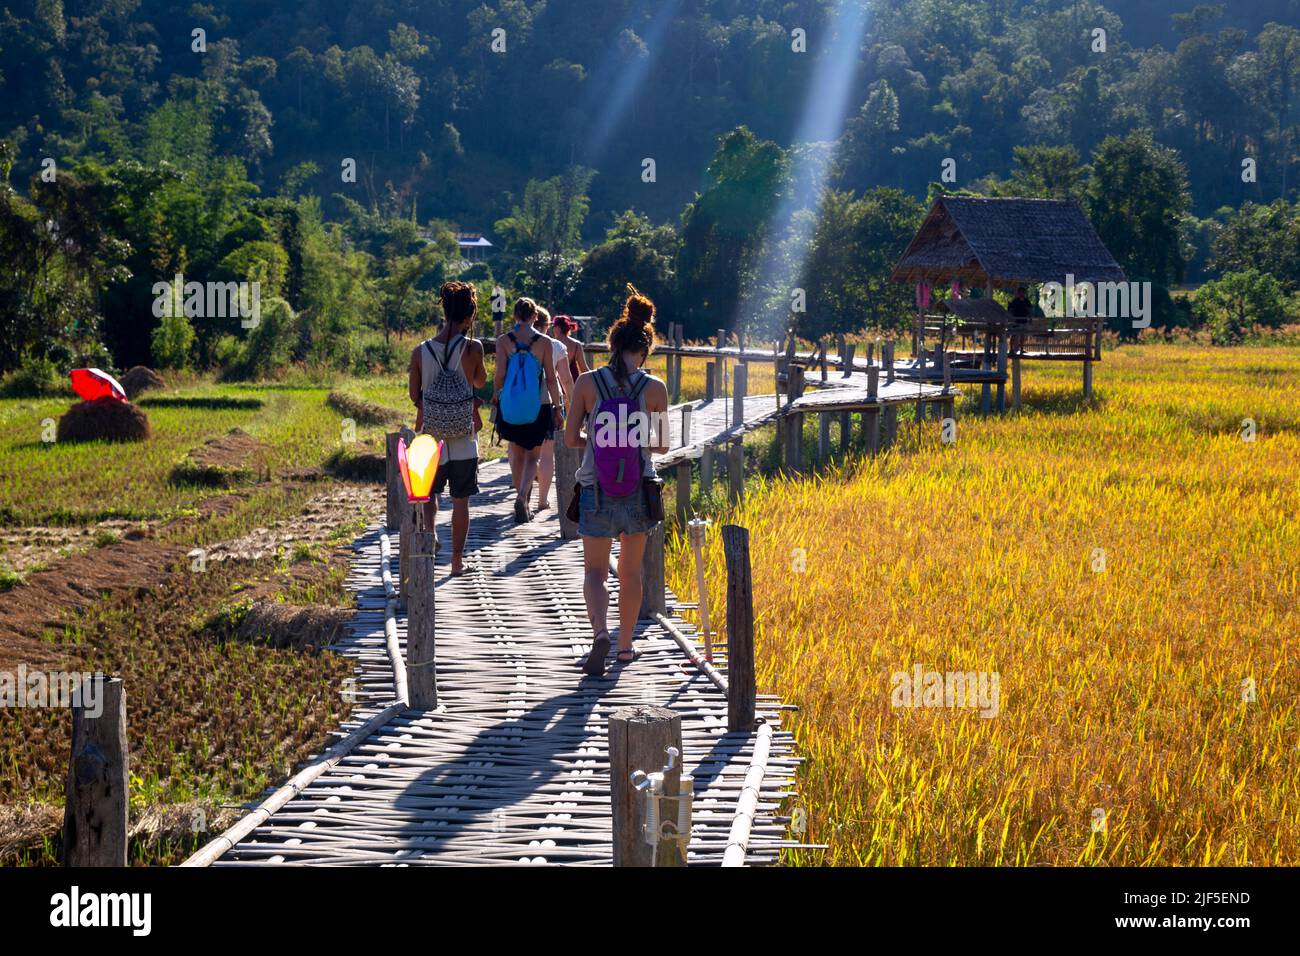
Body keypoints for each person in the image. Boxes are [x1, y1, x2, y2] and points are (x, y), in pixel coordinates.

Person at [564, 285, 669, 676]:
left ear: (612, 344)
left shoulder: (588, 383)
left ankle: (599, 634)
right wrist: (632, 436)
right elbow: (660, 446)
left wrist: (600, 437)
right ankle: (626, 647)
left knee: (594, 571)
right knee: (630, 572)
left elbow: (571, 437)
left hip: (595, 488)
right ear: (643, 349)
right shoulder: (654, 388)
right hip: (638, 490)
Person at [408, 281, 488, 576]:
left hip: (431, 434)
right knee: (461, 501)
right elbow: (479, 382)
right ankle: (456, 562)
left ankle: (430, 535)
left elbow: (414, 394)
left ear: (444, 311)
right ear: (469, 316)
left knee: (430, 494)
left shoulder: (420, 351)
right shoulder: (472, 347)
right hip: (464, 437)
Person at [494, 297, 565, 523]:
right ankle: (523, 496)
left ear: (514, 315)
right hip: (539, 404)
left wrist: (497, 395)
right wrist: (558, 407)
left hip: (512, 404)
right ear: (535, 316)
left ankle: (518, 494)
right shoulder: (544, 342)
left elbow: (500, 375)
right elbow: (551, 380)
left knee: (516, 452)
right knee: (533, 456)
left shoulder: (503, 341)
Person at [531, 307, 574, 511]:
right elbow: (565, 379)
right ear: (547, 325)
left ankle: (522, 495)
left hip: (520, 405)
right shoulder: (555, 345)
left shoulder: (513, 342)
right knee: (548, 453)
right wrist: (572, 404)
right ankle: (542, 501)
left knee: (522, 451)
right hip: (548, 402)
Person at [552, 314, 589, 404]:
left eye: (554, 326)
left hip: (557, 384)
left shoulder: (552, 344)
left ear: (558, 328)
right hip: (574, 383)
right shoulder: (576, 345)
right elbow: (584, 368)